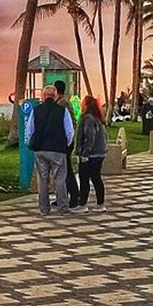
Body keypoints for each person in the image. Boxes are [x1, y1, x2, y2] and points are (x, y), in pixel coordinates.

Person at [26, 85, 74, 215]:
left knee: (42, 179)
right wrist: (65, 145)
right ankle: (63, 208)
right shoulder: (62, 111)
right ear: (55, 96)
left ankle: (44, 209)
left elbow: (29, 130)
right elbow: (69, 131)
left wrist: (32, 143)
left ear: (43, 96)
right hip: (58, 149)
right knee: (60, 179)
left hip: (40, 149)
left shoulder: (36, 111)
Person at [75, 95, 108, 213]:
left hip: (91, 154)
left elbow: (90, 136)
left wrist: (85, 153)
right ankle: (101, 204)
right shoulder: (98, 118)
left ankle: (83, 204)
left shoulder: (88, 118)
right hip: (100, 152)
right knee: (96, 178)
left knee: (84, 178)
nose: (81, 105)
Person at [53, 79, 79, 208]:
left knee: (66, 170)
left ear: (56, 91)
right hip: (67, 140)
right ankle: (64, 196)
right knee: (64, 170)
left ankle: (74, 196)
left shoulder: (61, 103)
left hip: (66, 141)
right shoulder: (63, 102)